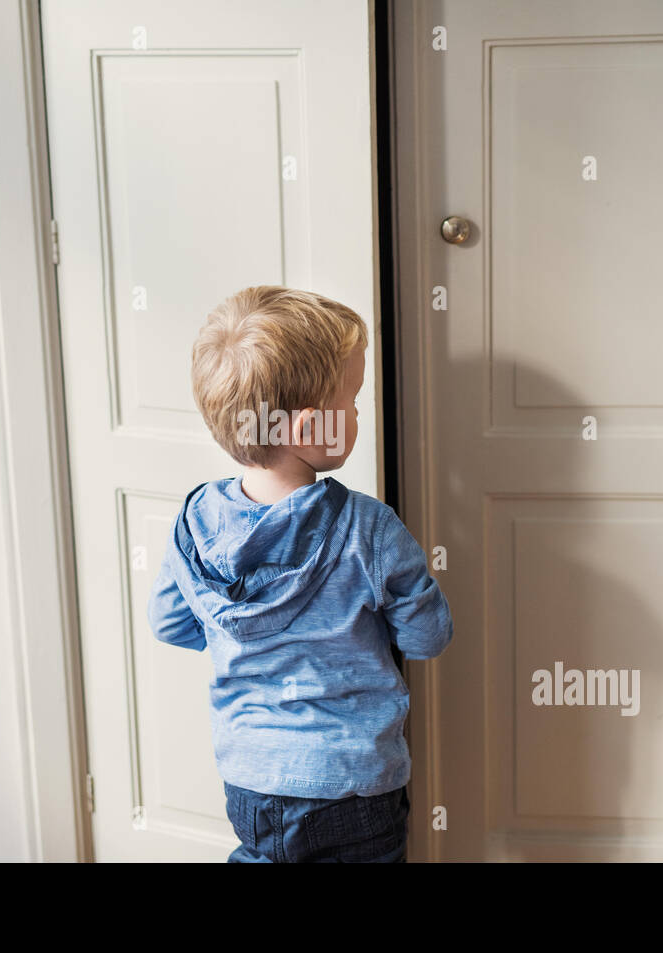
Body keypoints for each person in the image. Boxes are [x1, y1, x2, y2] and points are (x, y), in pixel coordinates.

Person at [147, 285, 453, 863]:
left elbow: (170, 623)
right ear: (312, 429)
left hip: (253, 778)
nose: (360, 412)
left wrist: (242, 633)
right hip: (355, 780)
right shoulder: (369, 528)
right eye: (355, 399)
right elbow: (427, 637)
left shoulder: (194, 524)